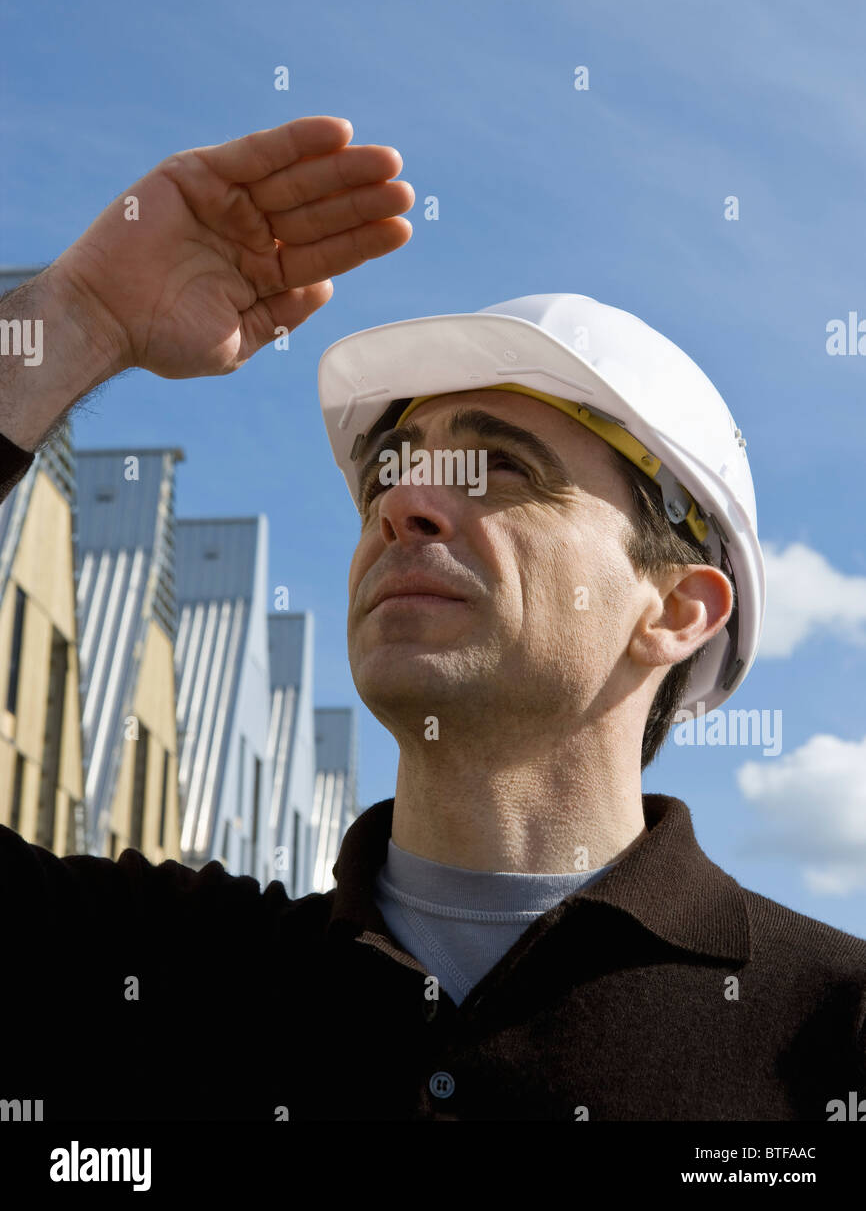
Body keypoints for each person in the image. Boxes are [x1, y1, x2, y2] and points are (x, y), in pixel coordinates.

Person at [0, 116, 863, 1122]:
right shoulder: (139, 974)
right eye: (387, 474)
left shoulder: (831, 1034)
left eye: (500, 467)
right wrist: (73, 323)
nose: (402, 505)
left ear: (675, 607)